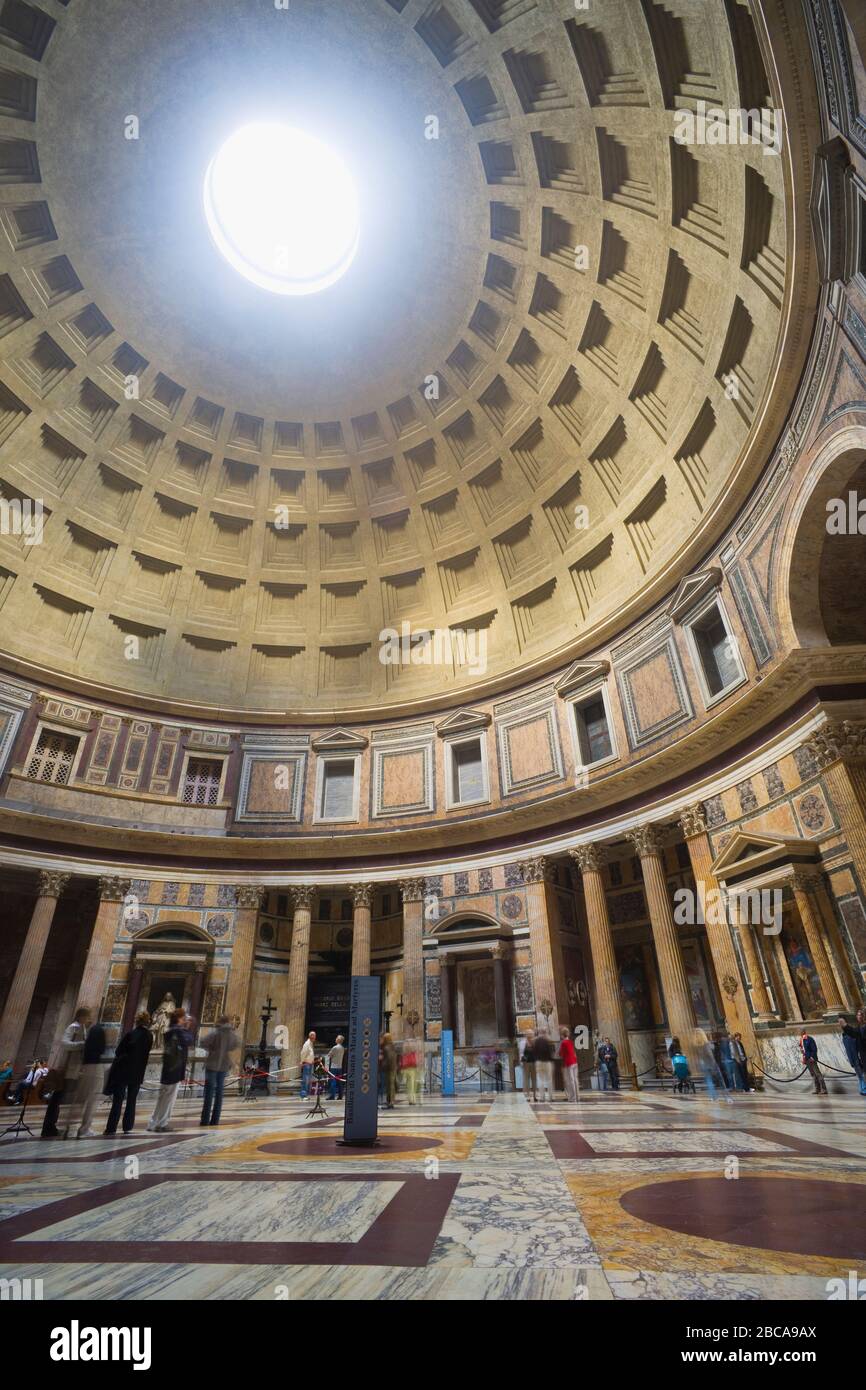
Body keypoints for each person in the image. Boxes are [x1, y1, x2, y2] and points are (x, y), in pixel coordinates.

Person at [41, 1007, 89, 1139]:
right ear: (80, 1016)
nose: (87, 1019)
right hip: (66, 1068)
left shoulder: (82, 1027)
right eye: (85, 1016)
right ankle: (48, 1127)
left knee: (59, 1098)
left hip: (72, 1068)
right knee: (56, 1097)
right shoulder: (73, 1026)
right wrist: (82, 1044)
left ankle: (51, 1126)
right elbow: (64, 1043)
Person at [104, 1012, 153, 1135]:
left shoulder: (131, 1034)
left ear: (137, 1021)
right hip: (138, 1072)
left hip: (123, 1071)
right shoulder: (149, 1036)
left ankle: (111, 1128)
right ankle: (128, 1126)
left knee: (118, 1100)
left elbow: (118, 1051)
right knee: (132, 1100)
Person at [147, 1008, 193, 1131]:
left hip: (168, 1068)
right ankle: (162, 1123)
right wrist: (187, 1028)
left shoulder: (170, 1030)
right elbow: (188, 1040)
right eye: (184, 1017)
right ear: (179, 1018)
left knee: (163, 1097)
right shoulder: (178, 1031)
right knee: (169, 1098)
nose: (185, 1019)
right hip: (175, 1069)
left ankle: (153, 1123)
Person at [65, 1017, 107, 1138]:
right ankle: (84, 1129)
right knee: (93, 1100)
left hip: (85, 1066)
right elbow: (102, 1049)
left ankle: (67, 1127)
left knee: (79, 1099)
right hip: (96, 1067)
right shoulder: (98, 1030)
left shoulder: (88, 1032)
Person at [199, 1014, 239, 1127]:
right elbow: (236, 1044)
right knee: (219, 1093)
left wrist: (212, 1048)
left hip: (212, 1064)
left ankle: (205, 1119)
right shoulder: (232, 1034)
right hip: (224, 1065)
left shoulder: (216, 1032)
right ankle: (215, 1120)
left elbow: (202, 1042)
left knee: (209, 1093)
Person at [840, 1010, 866, 1097]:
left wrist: (845, 1026)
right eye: (857, 1015)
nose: (858, 1017)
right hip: (859, 1059)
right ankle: (863, 1089)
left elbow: (856, 1034)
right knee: (861, 1076)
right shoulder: (859, 1028)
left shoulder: (862, 1028)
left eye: (860, 1015)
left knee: (862, 1075)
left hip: (859, 1058)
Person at [800, 1029, 827, 1095]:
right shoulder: (801, 1040)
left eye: (800, 1031)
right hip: (806, 1059)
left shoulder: (809, 1039)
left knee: (817, 1073)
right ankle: (817, 1089)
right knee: (813, 1075)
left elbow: (814, 1049)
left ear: (804, 1031)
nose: (800, 1032)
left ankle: (824, 1089)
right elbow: (804, 1049)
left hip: (811, 1059)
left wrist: (812, 1057)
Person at [558, 1026, 579, 1103]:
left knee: (571, 1081)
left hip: (568, 1063)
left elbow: (561, 1054)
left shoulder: (563, 1042)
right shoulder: (570, 1041)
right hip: (574, 1061)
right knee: (575, 1080)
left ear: (562, 1035)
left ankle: (572, 1098)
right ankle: (577, 1096)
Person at [534, 1029, 555, 1102]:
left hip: (539, 1061)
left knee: (540, 1080)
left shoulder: (536, 1041)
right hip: (547, 1062)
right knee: (549, 1080)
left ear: (539, 1033)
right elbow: (552, 1051)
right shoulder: (548, 1041)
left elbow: (534, 1052)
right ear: (545, 1033)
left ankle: (542, 1097)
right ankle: (550, 1097)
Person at [400, 1035, 422, 1105]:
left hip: (406, 1068)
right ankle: (413, 1100)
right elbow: (417, 1058)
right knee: (413, 1086)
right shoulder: (413, 1049)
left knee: (409, 1086)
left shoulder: (404, 1048)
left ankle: (410, 1099)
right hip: (412, 1068)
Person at [326, 1035, 346, 1100]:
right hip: (339, 1066)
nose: (335, 1038)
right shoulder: (342, 1048)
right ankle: (340, 1095)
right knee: (339, 1082)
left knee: (333, 1081)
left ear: (338, 1040)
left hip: (333, 1067)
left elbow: (329, 1055)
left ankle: (332, 1095)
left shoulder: (335, 1047)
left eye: (336, 1038)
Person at [381, 1031, 397, 1108]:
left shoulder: (387, 1047)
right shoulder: (392, 1046)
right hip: (393, 1068)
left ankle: (390, 1101)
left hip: (389, 1068)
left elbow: (389, 1058)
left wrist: (383, 1064)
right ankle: (390, 1100)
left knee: (390, 1085)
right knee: (391, 1085)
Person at [521, 1031, 537, 1102]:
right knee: (526, 1080)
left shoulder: (535, 1042)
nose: (530, 1035)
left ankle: (535, 1095)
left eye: (531, 1034)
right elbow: (521, 1053)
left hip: (534, 1062)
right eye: (529, 1034)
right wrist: (521, 1063)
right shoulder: (523, 1043)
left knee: (534, 1080)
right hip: (526, 1063)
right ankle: (527, 1096)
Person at [299, 1031, 316, 1098]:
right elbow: (303, 1053)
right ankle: (303, 1095)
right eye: (314, 1035)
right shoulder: (307, 1044)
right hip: (307, 1064)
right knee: (305, 1080)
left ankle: (305, 1094)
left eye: (315, 1035)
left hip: (309, 1064)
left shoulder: (311, 1043)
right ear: (311, 1036)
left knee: (308, 1079)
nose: (315, 1037)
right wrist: (301, 1061)